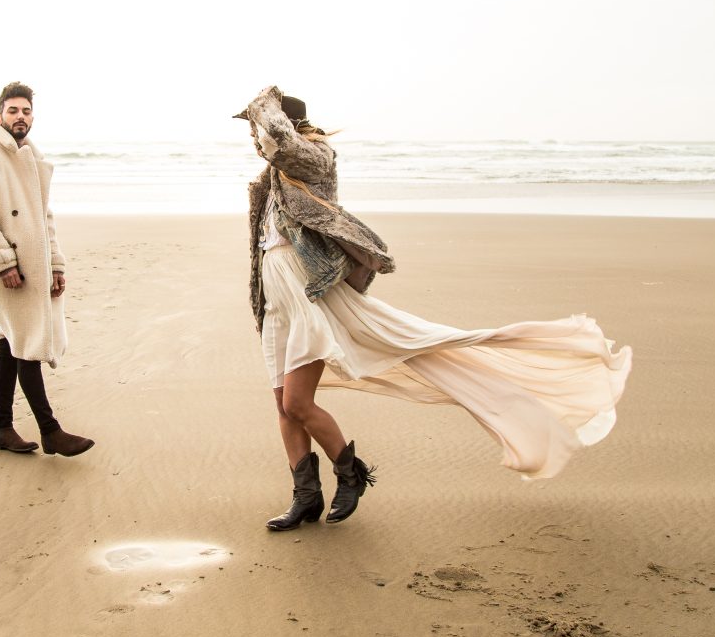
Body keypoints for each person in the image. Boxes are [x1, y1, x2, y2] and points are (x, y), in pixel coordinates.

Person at [234, 85, 630, 530]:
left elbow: (284, 146)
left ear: (282, 123)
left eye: (256, 127)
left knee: (300, 403)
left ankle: (351, 474)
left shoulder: (315, 155)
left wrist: (264, 106)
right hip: (276, 302)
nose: (253, 136)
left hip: (311, 295)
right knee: (284, 409)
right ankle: (306, 497)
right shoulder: (267, 179)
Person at [0, 81, 94, 457]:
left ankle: (1, 429)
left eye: (27, 111)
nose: (21, 117)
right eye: (14, 110)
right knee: (27, 343)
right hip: (5, 267)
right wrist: (3, 262)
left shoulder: (34, 159)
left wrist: (55, 264)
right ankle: (51, 431)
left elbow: (43, 218)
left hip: (34, 265)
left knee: (11, 342)